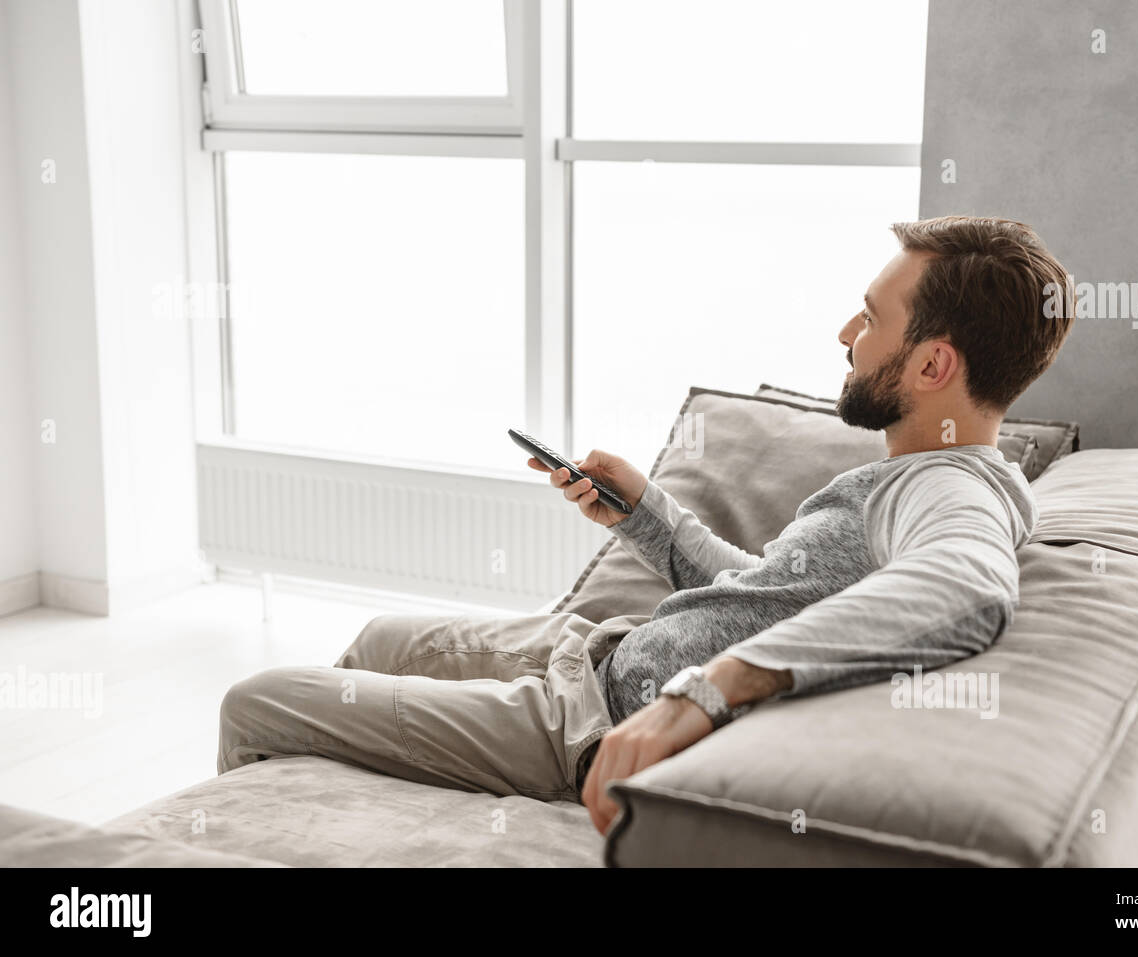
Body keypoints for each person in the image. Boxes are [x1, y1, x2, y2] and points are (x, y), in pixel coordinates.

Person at [218, 215, 1074, 837]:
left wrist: (704, 692)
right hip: (599, 650)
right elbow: (761, 595)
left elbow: (967, 586)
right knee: (378, 634)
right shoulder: (912, 473)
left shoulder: (956, 494)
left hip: (582, 726)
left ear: (932, 363)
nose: (846, 334)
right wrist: (648, 516)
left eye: (871, 317)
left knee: (252, 702)